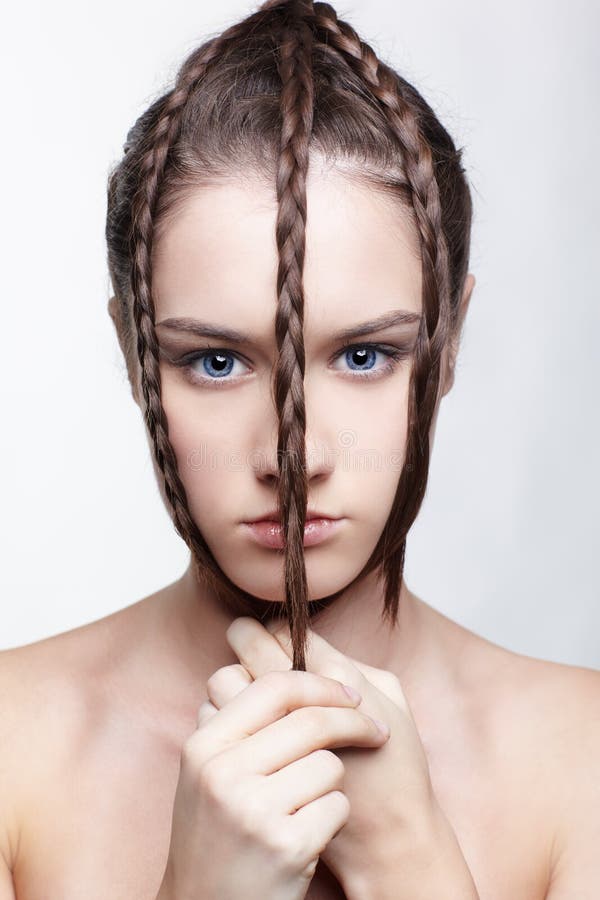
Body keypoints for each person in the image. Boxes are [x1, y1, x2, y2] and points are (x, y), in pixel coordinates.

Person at [0, 1, 598, 898]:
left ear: (448, 346)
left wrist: (411, 863)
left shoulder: (581, 759)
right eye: (214, 360)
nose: (295, 452)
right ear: (133, 356)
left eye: (364, 355)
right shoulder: (16, 751)